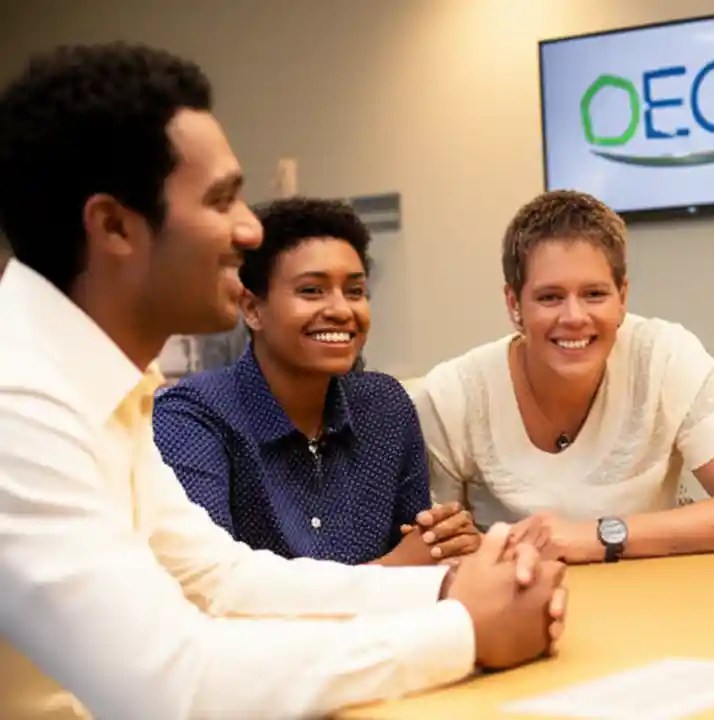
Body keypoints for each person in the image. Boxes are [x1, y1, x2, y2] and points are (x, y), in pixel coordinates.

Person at [0, 42, 565, 719]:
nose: (248, 228)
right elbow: (174, 686)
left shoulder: (97, 387)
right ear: (115, 226)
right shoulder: (18, 405)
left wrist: (448, 590)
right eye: (222, 200)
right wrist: (466, 632)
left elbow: (221, 581)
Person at [404, 190, 714, 564]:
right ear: (513, 304)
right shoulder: (452, 397)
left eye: (594, 294)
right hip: (520, 609)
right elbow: (437, 554)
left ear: (622, 297)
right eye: (550, 297)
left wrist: (597, 537)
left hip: (660, 603)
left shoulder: (665, 356)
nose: (574, 317)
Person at [153, 197, 480, 567]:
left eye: (355, 291)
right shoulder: (194, 417)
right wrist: (392, 569)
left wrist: (446, 542)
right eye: (312, 290)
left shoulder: (384, 405)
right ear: (252, 309)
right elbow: (209, 589)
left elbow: (421, 554)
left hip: (389, 625)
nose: (342, 310)